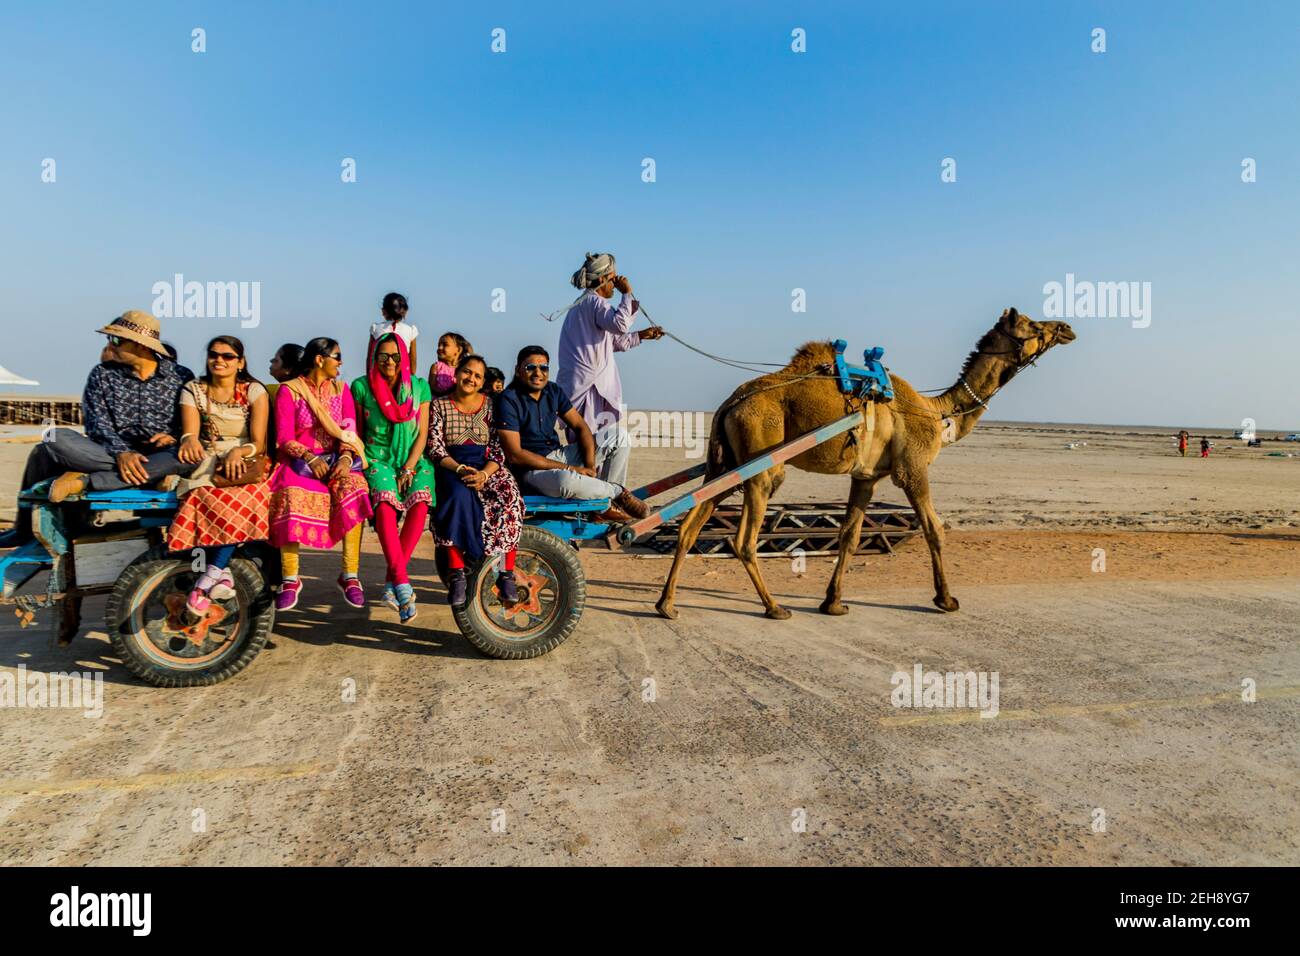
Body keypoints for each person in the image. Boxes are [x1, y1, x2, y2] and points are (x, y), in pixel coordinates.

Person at [11, 311, 194, 542]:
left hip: (159, 454)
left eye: (117, 340)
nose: (111, 344)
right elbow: (97, 424)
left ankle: (86, 479)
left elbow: (191, 420)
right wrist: (122, 453)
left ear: (141, 346)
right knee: (53, 438)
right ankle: (149, 476)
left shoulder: (180, 375)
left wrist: (174, 437)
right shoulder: (102, 374)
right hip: (107, 453)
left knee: (190, 456)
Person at [168, 336, 271, 616]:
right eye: (214, 355)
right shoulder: (194, 390)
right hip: (208, 456)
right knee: (204, 496)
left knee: (247, 498)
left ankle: (206, 581)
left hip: (246, 457)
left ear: (241, 362)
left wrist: (240, 452)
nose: (219, 360)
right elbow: (190, 431)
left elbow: (259, 442)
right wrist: (188, 440)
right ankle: (221, 574)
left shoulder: (254, 391)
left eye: (227, 356)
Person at [268, 337, 373, 610]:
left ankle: (350, 576)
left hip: (337, 459)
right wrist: (310, 457)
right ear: (319, 359)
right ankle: (291, 579)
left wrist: (347, 457)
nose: (340, 362)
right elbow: (284, 438)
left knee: (356, 489)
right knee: (289, 495)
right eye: (336, 356)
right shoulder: (289, 391)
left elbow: (349, 428)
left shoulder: (341, 389)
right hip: (300, 461)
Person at [496, 346, 649, 523]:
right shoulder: (508, 399)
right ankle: (616, 493)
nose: (538, 373)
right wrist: (571, 469)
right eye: (530, 367)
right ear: (518, 370)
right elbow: (516, 455)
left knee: (619, 436)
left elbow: (581, 427)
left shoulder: (553, 391)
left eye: (543, 368)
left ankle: (602, 507)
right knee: (565, 482)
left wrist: (590, 466)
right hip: (531, 470)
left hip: (558, 455)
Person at [427, 354, 525, 608]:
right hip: (452, 465)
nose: (471, 378)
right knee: (453, 500)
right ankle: (458, 574)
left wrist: (484, 474)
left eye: (477, 376)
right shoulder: (439, 405)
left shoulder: (491, 406)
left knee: (509, 496)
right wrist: (459, 469)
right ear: (457, 373)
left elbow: (497, 449)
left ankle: (506, 574)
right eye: (467, 372)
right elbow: (436, 448)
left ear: (482, 382)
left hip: (487, 466)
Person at [352, 333, 435, 622]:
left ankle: (392, 579)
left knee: (420, 502)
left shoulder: (420, 387)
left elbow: (422, 433)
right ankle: (401, 582)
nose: (390, 361)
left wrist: (410, 467)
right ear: (374, 357)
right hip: (377, 457)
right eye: (383, 355)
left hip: (413, 457)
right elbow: (359, 434)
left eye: (396, 355)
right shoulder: (362, 387)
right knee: (385, 506)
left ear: (405, 357)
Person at [556, 252, 663, 439]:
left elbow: (611, 342)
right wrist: (627, 293)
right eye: (613, 278)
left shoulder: (584, 305)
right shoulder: (595, 303)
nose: (615, 283)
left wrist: (642, 335)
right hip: (588, 385)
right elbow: (620, 325)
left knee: (588, 442)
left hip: (583, 384)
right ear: (603, 279)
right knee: (587, 443)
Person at [370, 292, 419, 372]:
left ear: (383, 311)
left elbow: (370, 359)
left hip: (380, 374)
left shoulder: (376, 329)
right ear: (405, 312)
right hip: (402, 376)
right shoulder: (410, 331)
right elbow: (413, 365)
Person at [428, 331, 471, 397]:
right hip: (438, 403)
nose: (440, 348)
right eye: (439, 345)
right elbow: (432, 387)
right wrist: (447, 395)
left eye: (445, 345)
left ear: (459, 350)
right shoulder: (436, 367)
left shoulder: (463, 369)